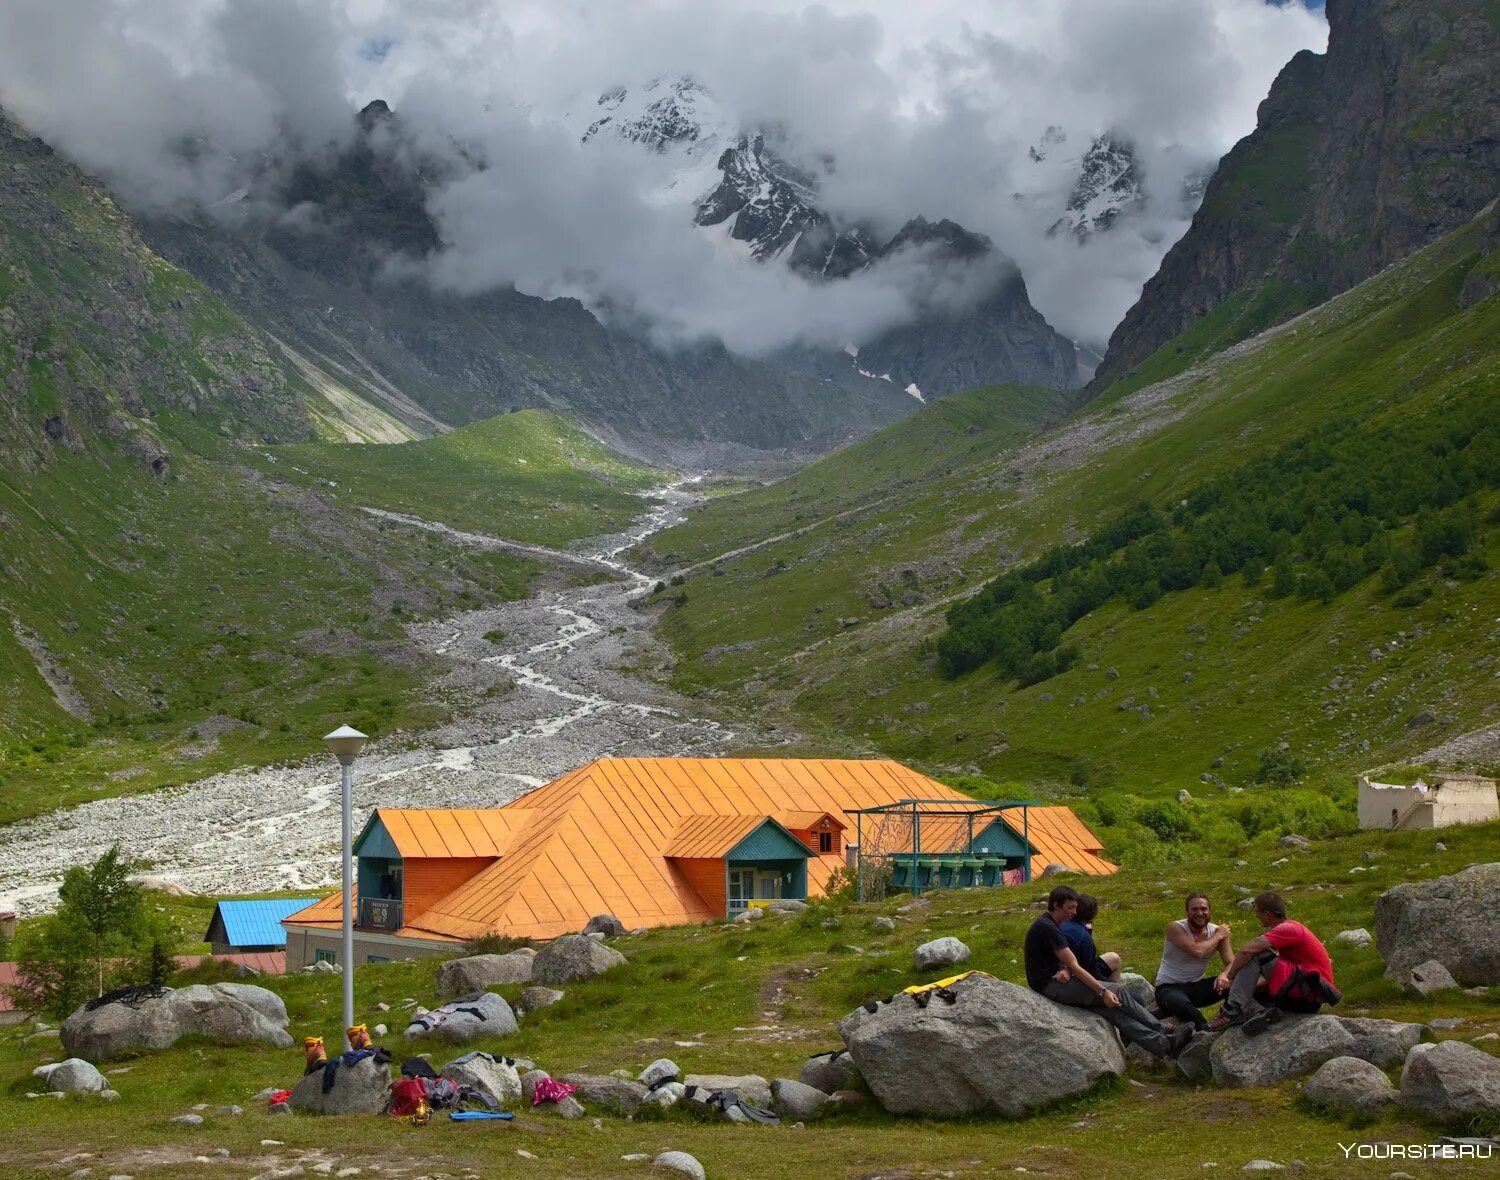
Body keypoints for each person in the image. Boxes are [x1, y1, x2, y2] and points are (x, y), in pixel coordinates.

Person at [1025, 884, 1192, 1058]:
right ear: (1056, 905)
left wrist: (1064, 970)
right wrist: (1103, 991)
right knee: (1117, 990)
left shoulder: (1052, 924)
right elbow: (1074, 965)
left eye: (1075, 907)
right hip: (1049, 985)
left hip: (1053, 981)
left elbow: (1059, 958)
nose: (1074, 912)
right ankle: (1160, 1029)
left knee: (1111, 1011)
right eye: (1070, 908)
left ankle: (1165, 1045)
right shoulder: (1048, 927)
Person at [1209, 891, 1338, 1033]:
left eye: (1257, 911)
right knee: (1247, 991)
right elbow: (1281, 972)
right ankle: (1260, 1012)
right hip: (1305, 994)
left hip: (1307, 995)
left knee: (1258, 954)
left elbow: (1247, 950)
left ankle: (1231, 1012)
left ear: (1267, 913)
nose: (1256, 915)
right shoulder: (1290, 928)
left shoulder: (1288, 928)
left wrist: (1230, 976)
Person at [1154, 892, 1234, 1029]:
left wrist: (1224, 974)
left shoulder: (1216, 931)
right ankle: (1205, 1029)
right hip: (1169, 987)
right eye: (1195, 909)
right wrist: (1218, 936)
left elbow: (1232, 963)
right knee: (1179, 1002)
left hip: (1196, 986)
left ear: (1209, 910)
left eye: (1204, 909)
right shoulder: (1175, 928)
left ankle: (1228, 1016)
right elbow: (1197, 952)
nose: (1200, 913)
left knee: (1237, 981)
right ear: (1187, 912)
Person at [1061, 894, 1121, 983]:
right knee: (1115, 961)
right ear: (1092, 915)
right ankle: (1117, 989)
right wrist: (1107, 985)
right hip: (1078, 973)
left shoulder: (1062, 923)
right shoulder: (1084, 937)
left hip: (1068, 968)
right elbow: (1089, 971)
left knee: (1114, 958)